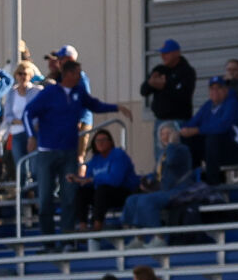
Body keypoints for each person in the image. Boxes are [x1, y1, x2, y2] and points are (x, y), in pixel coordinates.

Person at [23, 60, 132, 242]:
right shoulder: (50, 92)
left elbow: (95, 105)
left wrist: (117, 108)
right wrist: (31, 136)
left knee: (69, 196)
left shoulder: (78, 92)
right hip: (47, 153)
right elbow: (28, 113)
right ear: (69, 74)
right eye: (78, 73)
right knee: (45, 198)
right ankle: (48, 241)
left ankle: (67, 239)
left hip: (68, 153)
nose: (80, 76)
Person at [179, 76, 238, 186]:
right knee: (188, 139)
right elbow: (192, 123)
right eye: (212, 89)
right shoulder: (208, 105)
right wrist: (178, 131)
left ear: (226, 90)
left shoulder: (232, 103)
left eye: (218, 88)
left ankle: (213, 186)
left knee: (213, 137)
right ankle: (194, 182)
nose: (215, 91)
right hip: (218, 150)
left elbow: (222, 126)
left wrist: (196, 130)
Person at [123, 123, 196, 232]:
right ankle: (136, 237)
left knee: (146, 200)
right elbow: (157, 173)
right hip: (162, 190)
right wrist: (147, 180)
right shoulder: (163, 153)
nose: (165, 137)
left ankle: (159, 236)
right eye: (162, 134)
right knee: (131, 200)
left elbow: (171, 162)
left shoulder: (182, 150)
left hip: (177, 190)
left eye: (169, 133)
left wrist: (172, 144)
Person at [71, 129, 137, 231]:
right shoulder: (95, 159)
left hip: (123, 192)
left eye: (103, 140)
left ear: (110, 142)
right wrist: (78, 179)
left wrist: (92, 180)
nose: (100, 143)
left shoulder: (118, 155)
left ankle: (97, 226)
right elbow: (89, 180)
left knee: (102, 190)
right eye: (97, 141)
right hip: (102, 195)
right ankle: (82, 226)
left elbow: (115, 180)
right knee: (82, 191)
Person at [140, 39, 197, 137]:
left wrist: (164, 86)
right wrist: (150, 84)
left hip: (179, 121)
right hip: (160, 122)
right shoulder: (159, 70)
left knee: (176, 150)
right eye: (162, 53)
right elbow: (143, 91)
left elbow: (183, 95)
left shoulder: (186, 71)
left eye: (166, 53)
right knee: (161, 153)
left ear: (176, 53)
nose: (163, 56)